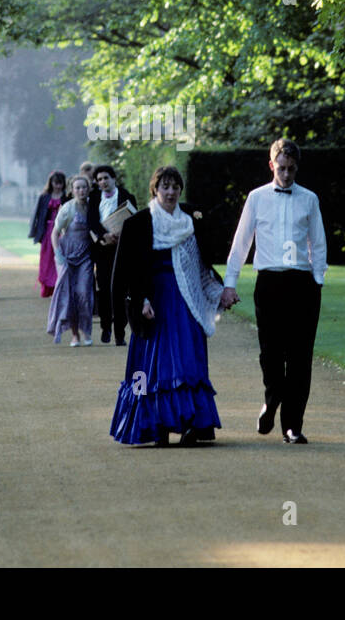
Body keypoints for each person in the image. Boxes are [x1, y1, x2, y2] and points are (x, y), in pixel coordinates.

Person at [221, 139, 327, 444]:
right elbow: (241, 243)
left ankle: (293, 425)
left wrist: (316, 281)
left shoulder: (309, 199)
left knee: (300, 357)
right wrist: (230, 283)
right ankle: (272, 398)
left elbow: (317, 243)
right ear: (271, 165)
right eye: (281, 168)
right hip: (268, 283)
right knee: (270, 352)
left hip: (302, 284)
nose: (287, 173)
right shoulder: (256, 198)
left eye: (292, 168)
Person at [110, 165, 224, 446]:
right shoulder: (138, 223)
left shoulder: (190, 220)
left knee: (186, 361)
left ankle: (190, 424)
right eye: (165, 187)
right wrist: (140, 301)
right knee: (148, 366)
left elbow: (201, 265)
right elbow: (126, 271)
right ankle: (153, 425)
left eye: (175, 187)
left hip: (185, 303)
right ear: (155, 190)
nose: (171, 192)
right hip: (153, 303)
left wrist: (221, 291)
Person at [87, 165, 137, 346]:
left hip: (121, 249)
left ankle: (120, 333)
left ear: (113, 178)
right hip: (102, 250)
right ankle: (106, 327)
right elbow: (91, 222)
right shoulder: (93, 198)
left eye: (106, 178)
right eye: (99, 179)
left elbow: (134, 221)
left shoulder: (127, 196)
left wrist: (121, 236)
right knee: (105, 290)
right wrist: (104, 236)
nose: (103, 182)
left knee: (121, 291)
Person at [46, 175, 96, 345]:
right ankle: (75, 334)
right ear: (72, 190)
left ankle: (87, 331)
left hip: (85, 257)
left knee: (84, 294)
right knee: (70, 296)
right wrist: (58, 255)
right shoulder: (67, 208)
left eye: (84, 187)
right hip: (66, 256)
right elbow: (55, 233)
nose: (81, 191)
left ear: (88, 189)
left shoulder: (93, 207)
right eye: (78, 188)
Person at [29, 170, 67, 297]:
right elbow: (37, 216)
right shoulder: (44, 196)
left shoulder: (66, 196)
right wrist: (35, 232)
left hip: (61, 231)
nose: (58, 186)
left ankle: (59, 286)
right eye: (55, 183)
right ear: (51, 183)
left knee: (59, 258)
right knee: (46, 260)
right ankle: (46, 288)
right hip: (47, 231)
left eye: (60, 183)